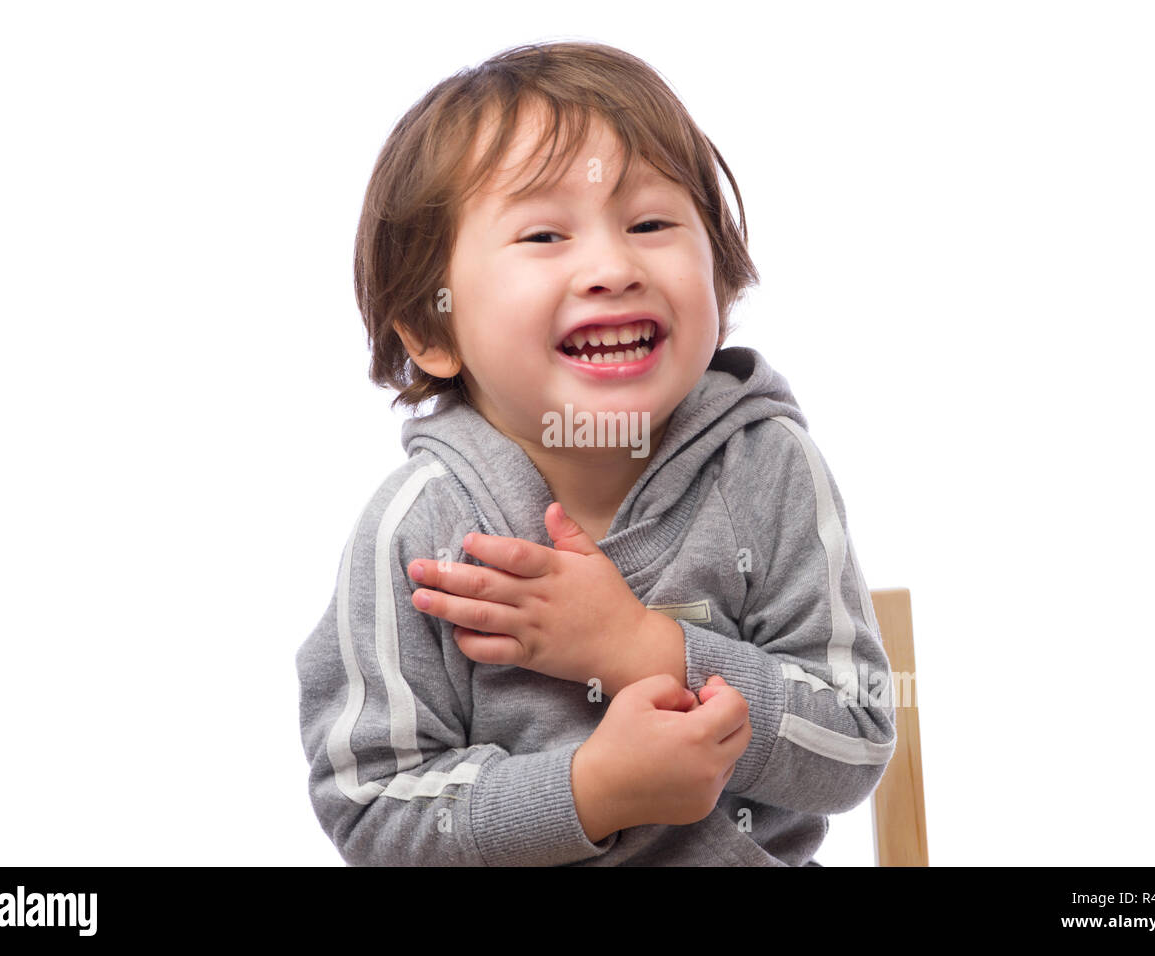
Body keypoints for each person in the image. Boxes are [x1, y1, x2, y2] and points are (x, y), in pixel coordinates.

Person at [295, 40, 896, 866]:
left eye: (650, 224)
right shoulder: (420, 529)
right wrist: (588, 792)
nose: (613, 266)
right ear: (434, 329)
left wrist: (643, 648)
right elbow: (371, 811)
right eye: (544, 235)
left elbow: (858, 739)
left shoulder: (766, 467)